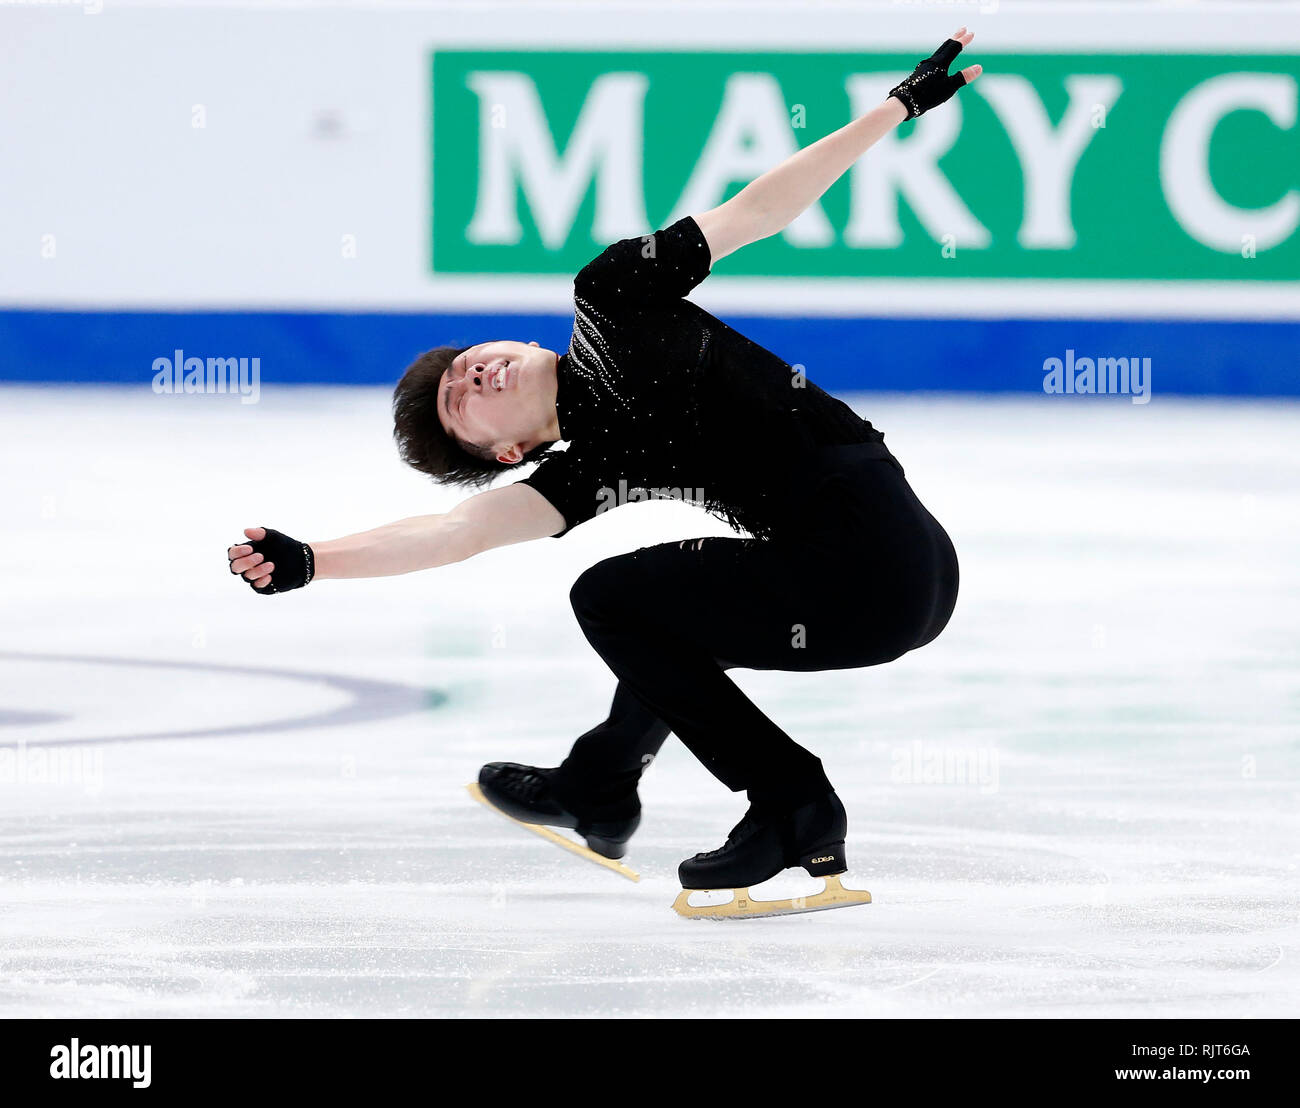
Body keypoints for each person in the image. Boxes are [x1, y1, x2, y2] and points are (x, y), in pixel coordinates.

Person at [227, 31, 980, 917]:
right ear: (506, 455)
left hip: (888, 556)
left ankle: (780, 800)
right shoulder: (588, 473)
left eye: (469, 361)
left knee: (621, 599)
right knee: (651, 608)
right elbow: (452, 532)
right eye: (459, 406)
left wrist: (895, 108)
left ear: (517, 341)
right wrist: (313, 557)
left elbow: (758, 211)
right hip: (874, 587)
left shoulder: (611, 297)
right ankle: (605, 783)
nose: (472, 376)